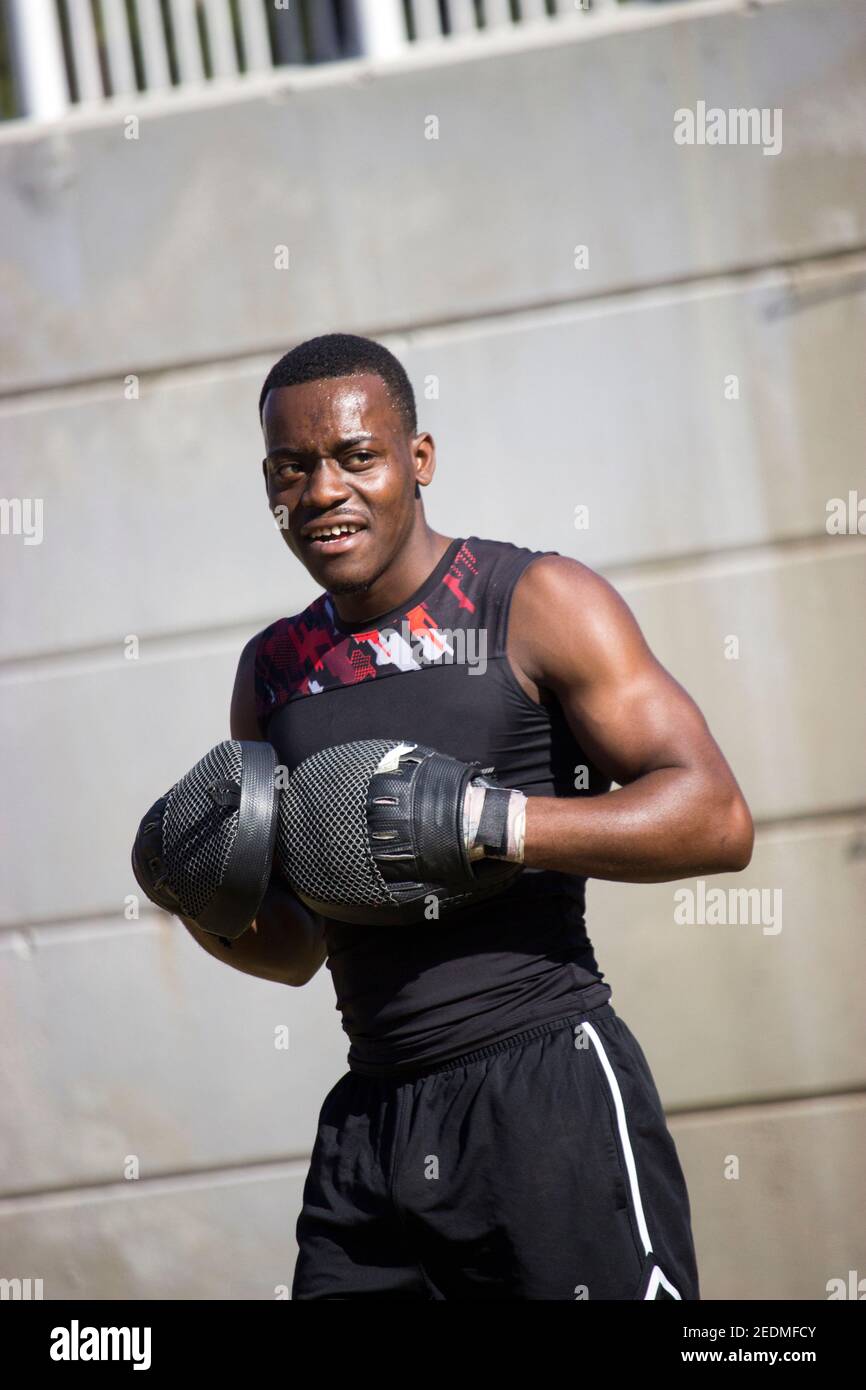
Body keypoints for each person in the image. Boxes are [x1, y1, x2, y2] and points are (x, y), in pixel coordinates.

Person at [182, 332, 754, 1300]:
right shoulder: (271, 671)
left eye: (356, 457)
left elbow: (714, 816)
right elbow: (295, 951)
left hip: (546, 1099)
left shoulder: (533, 602)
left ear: (419, 460)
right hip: (372, 1128)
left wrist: (496, 821)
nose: (323, 491)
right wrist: (206, 901)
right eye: (292, 468)